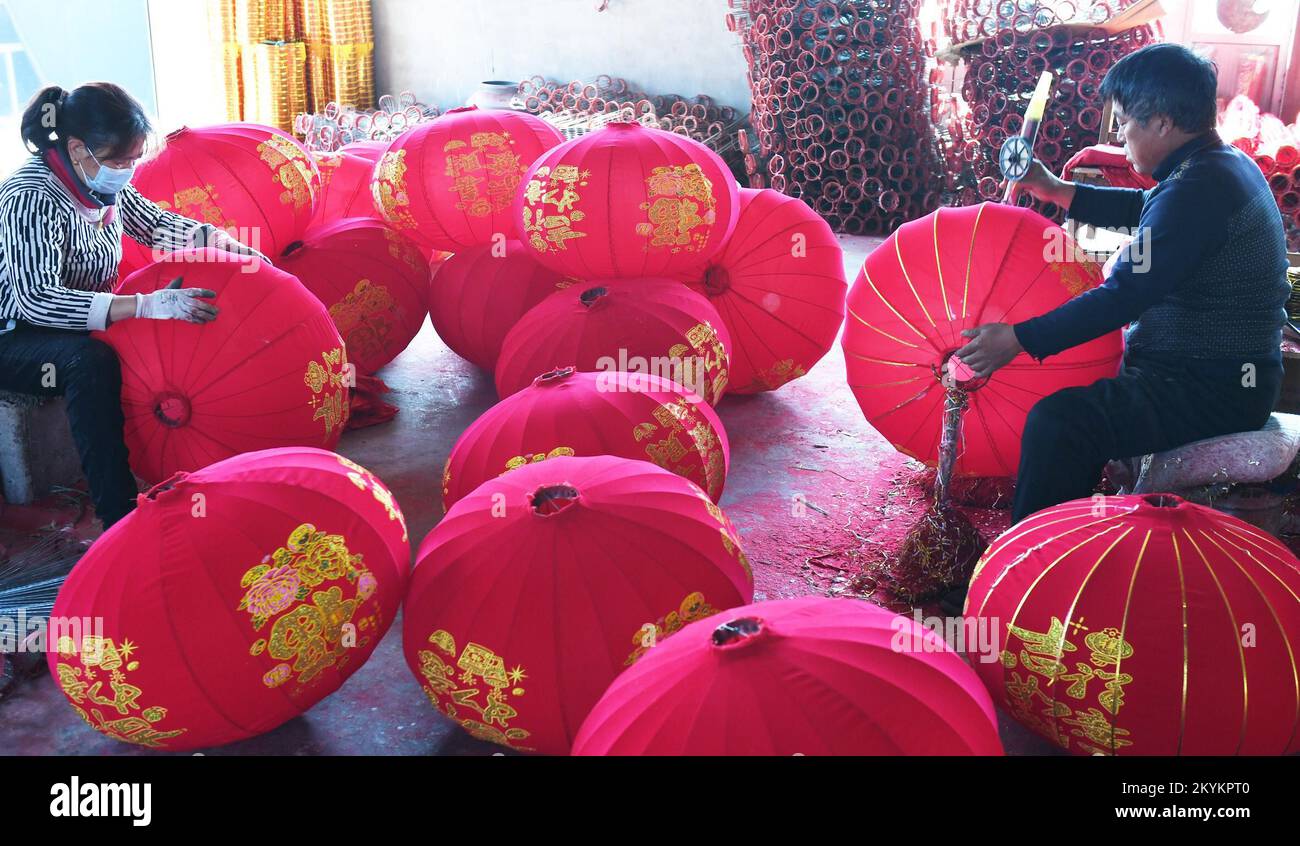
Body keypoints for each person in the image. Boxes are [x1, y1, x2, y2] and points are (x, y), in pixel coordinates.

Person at [955, 43, 1290, 525]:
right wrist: (1056, 189)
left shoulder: (1198, 188)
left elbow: (1123, 297)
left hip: (1213, 387)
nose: (1119, 135)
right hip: (1227, 373)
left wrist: (1018, 339)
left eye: (1125, 121)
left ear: (1163, 123)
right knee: (1078, 381)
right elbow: (1147, 209)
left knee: (1060, 422)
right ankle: (1075, 522)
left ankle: (1036, 551)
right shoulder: (1217, 164)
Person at [0, 83, 262, 528]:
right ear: (77, 148)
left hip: (72, 321)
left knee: (180, 304)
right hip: (18, 336)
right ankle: (118, 513)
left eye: (133, 160)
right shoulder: (30, 196)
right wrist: (143, 305)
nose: (125, 171)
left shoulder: (100, 184)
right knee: (91, 361)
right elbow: (37, 301)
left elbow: (155, 225)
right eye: (118, 161)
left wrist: (218, 242)